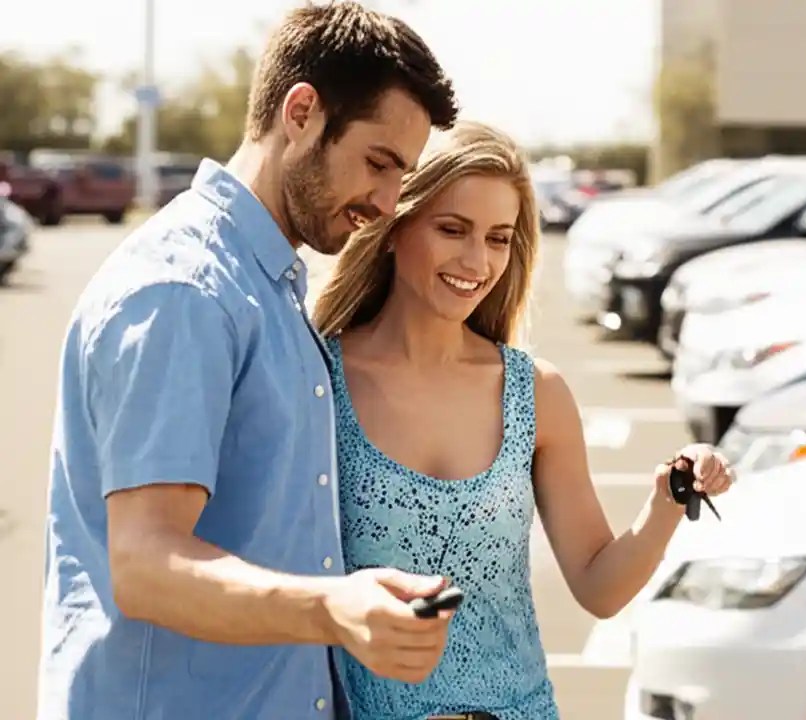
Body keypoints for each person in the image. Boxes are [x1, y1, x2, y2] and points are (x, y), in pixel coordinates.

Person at [38, 4, 459, 719]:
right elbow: (146, 566)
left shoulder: (266, 287)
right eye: (379, 163)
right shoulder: (185, 293)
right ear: (301, 113)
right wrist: (332, 607)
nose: (388, 203)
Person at [309, 120, 736, 719]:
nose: (476, 261)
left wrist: (667, 500)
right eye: (452, 229)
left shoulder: (535, 393)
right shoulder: (315, 379)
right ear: (392, 228)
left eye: (499, 238)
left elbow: (599, 586)